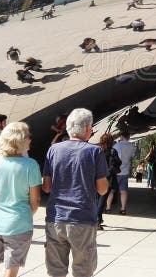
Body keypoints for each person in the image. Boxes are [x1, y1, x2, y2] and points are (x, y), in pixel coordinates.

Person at [42, 108, 109, 277]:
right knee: (83, 271)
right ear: (86, 128)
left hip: (55, 218)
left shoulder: (53, 150)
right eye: (91, 126)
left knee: (55, 271)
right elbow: (102, 189)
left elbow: (46, 187)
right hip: (82, 218)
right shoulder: (95, 152)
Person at [0, 122, 41, 277]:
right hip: (18, 223)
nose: (30, 139)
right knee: (10, 270)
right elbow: (35, 200)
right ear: (19, 140)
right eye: (28, 136)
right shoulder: (31, 165)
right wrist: (26, 213)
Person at [98, 133, 121, 228]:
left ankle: (98, 218)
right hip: (108, 178)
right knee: (102, 199)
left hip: (97, 177)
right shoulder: (112, 151)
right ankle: (97, 220)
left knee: (97, 199)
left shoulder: (97, 150)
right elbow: (118, 162)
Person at [112, 130, 137, 214]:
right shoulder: (132, 146)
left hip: (116, 171)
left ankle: (108, 207)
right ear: (129, 137)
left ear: (121, 136)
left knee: (112, 190)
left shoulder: (117, 145)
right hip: (125, 171)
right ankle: (123, 208)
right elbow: (132, 156)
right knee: (123, 190)